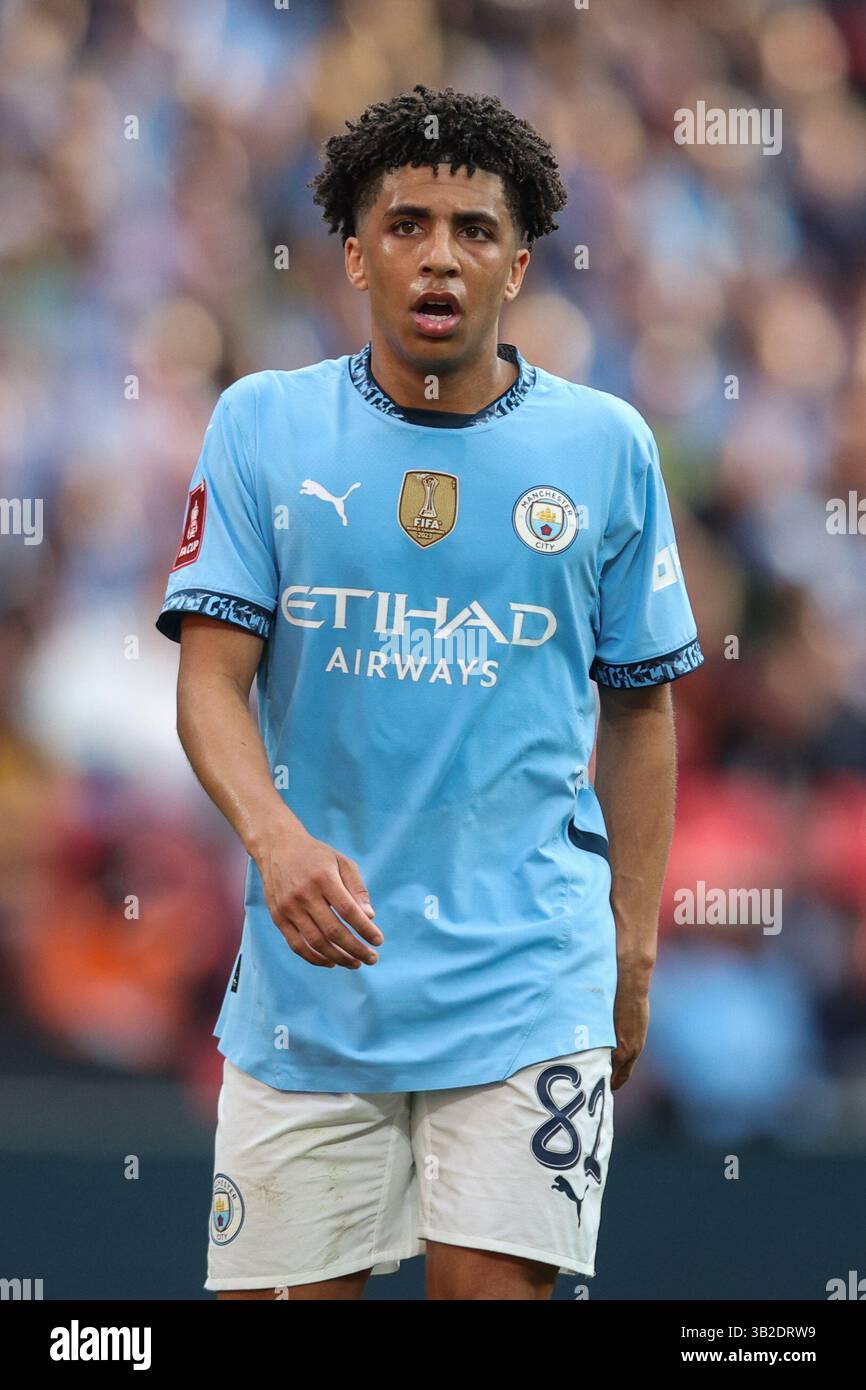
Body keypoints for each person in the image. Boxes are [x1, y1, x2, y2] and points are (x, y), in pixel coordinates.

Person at [156, 84, 704, 1301]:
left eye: (473, 229)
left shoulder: (605, 446)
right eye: (405, 225)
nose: (438, 257)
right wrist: (275, 840)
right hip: (314, 987)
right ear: (352, 253)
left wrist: (631, 946)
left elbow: (640, 708)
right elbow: (207, 682)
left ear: (518, 261)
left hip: (528, 977)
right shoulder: (262, 427)